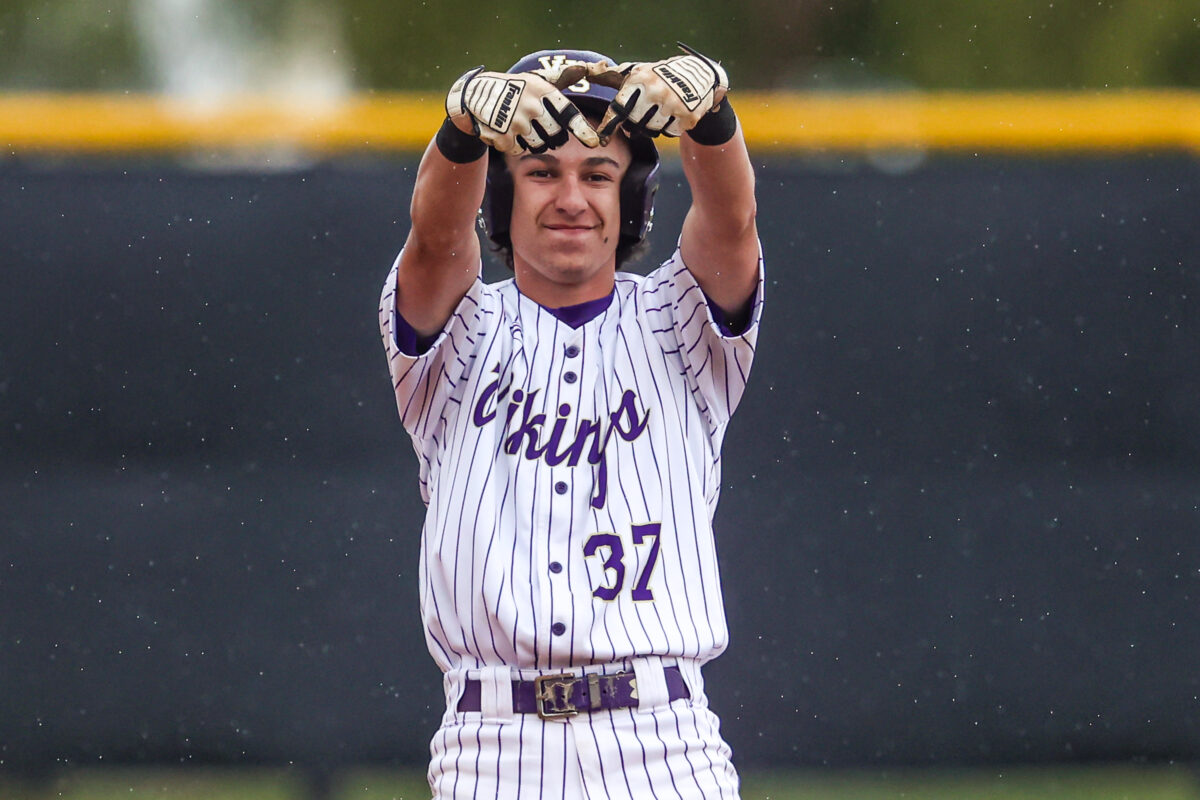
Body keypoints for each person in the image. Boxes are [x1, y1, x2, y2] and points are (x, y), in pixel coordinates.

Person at [378, 43, 762, 799]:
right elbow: (432, 242)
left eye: (598, 174)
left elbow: (732, 218)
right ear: (499, 198)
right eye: (541, 172)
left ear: (632, 201)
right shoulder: (460, 332)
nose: (572, 197)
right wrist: (461, 130)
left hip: (662, 740)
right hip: (493, 744)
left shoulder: (675, 322)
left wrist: (711, 121)